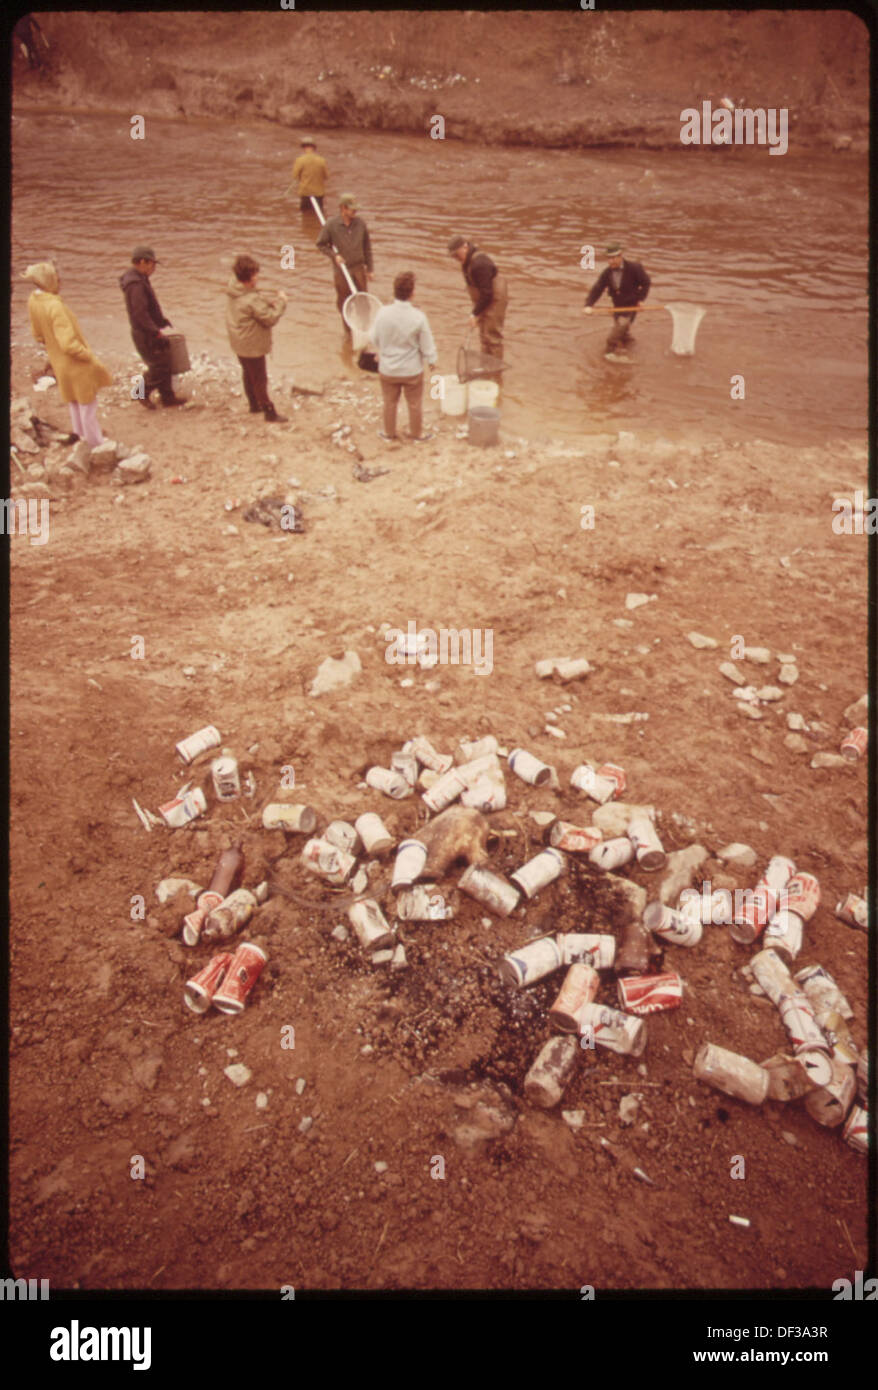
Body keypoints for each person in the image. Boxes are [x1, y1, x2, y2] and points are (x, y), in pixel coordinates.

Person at [23, 261, 112, 447]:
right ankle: (95, 443)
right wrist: (87, 355)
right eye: (57, 278)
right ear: (49, 281)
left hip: (59, 362)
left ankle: (79, 435)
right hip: (75, 363)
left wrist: (52, 347)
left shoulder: (34, 301)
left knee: (73, 400)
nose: (60, 282)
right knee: (88, 404)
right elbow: (69, 344)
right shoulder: (55, 306)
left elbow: (38, 335)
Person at [371, 271, 437, 443]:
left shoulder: (382, 313)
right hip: (411, 370)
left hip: (388, 369)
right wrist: (432, 361)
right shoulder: (418, 317)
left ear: (394, 292)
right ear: (412, 293)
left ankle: (388, 433)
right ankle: (416, 434)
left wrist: (383, 351)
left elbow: (374, 338)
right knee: (414, 404)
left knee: (389, 402)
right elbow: (427, 345)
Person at [225, 253, 289, 423]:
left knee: (247, 373)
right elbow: (270, 318)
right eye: (255, 274)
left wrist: (266, 302)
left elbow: (255, 303)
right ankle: (269, 412)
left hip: (238, 342)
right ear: (249, 278)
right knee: (260, 379)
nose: (258, 277)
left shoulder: (234, 288)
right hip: (252, 346)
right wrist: (282, 301)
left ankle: (253, 405)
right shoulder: (250, 299)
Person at [119, 245, 184, 408]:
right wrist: (155, 333)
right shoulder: (136, 285)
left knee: (165, 361)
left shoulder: (139, 279)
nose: (154, 268)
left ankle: (168, 397)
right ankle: (140, 392)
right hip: (144, 333)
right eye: (152, 264)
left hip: (147, 330)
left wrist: (161, 321)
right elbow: (140, 314)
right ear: (142, 262)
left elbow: (147, 309)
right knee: (158, 366)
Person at [583, 243, 651, 358]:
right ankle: (631, 346)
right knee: (623, 334)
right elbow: (597, 288)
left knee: (612, 339)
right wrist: (589, 304)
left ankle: (607, 359)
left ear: (620, 256)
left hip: (630, 307)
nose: (611, 261)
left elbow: (646, 283)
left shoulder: (634, 268)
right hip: (617, 307)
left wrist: (641, 300)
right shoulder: (607, 273)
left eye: (614, 258)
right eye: (609, 258)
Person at [447, 235, 508, 362]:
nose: (455, 259)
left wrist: (475, 314)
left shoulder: (479, 264)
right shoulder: (466, 262)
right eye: (453, 256)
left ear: (465, 247)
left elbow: (487, 294)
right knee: (484, 336)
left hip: (494, 299)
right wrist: (477, 312)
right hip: (484, 299)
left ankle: (496, 373)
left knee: (493, 337)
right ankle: (486, 366)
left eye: (456, 255)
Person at [316, 194, 373, 324]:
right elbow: (320, 244)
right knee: (344, 302)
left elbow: (367, 247)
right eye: (352, 209)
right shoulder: (331, 225)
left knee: (363, 303)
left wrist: (370, 269)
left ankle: (363, 327)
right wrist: (334, 256)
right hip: (341, 271)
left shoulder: (361, 224)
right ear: (343, 208)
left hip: (359, 269)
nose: (355, 211)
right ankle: (347, 330)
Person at [292, 136, 328, 214]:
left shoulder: (299, 160)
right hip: (318, 194)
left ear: (304, 148)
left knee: (305, 216)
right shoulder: (322, 160)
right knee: (318, 215)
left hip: (305, 194)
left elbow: (295, 176)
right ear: (314, 148)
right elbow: (326, 176)